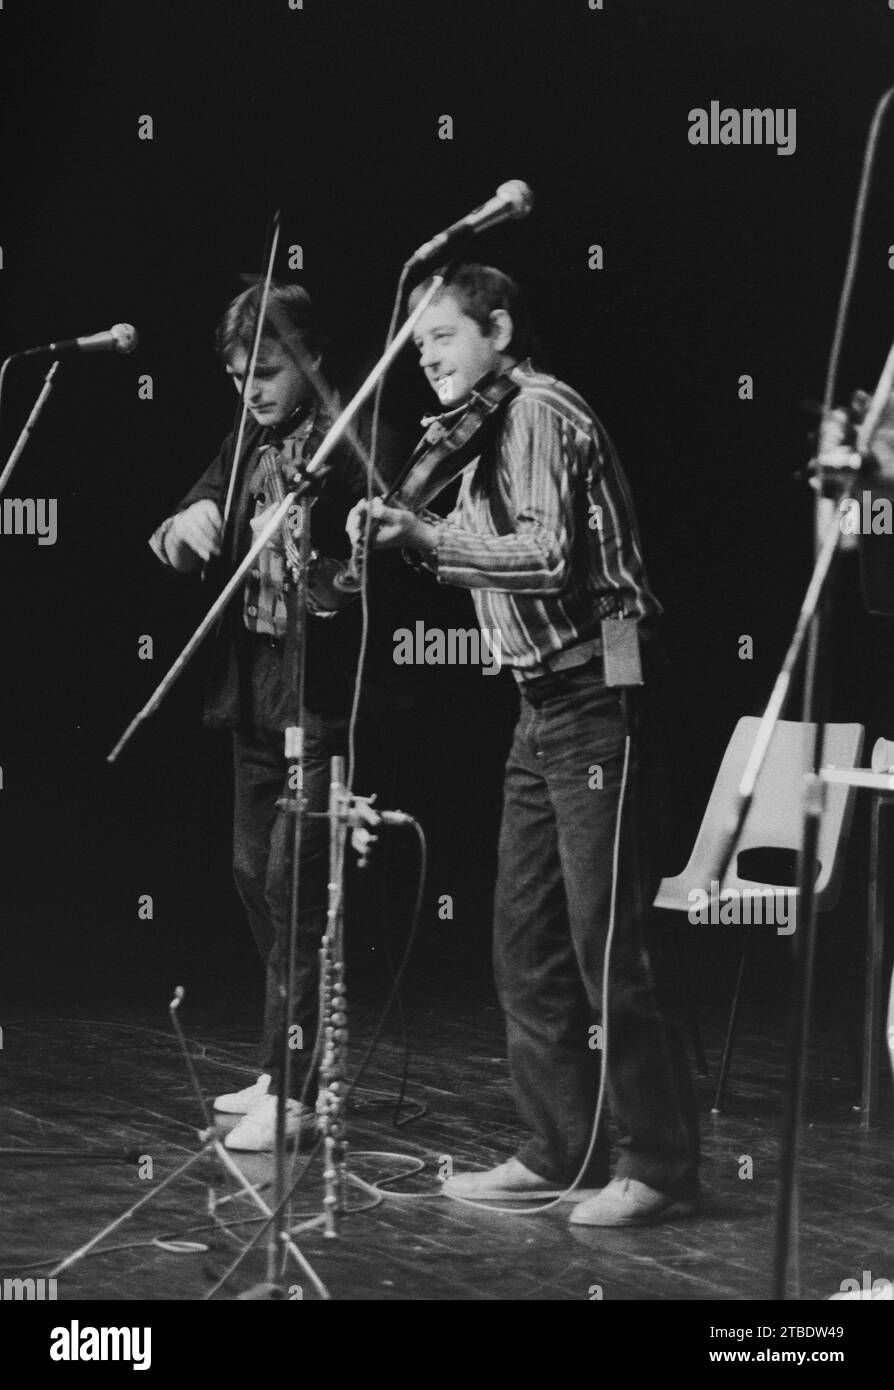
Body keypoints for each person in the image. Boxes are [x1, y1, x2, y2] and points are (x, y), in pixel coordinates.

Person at [347, 264, 700, 1225]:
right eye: (417, 346)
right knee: (525, 942)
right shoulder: (485, 436)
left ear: (499, 329)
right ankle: (557, 1152)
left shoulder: (539, 409)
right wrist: (389, 539)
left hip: (600, 690)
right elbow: (473, 547)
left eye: (444, 337)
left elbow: (545, 558)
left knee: (605, 943)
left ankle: (660, 1162)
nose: (426, 359)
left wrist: (417, 533)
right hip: (538, 703)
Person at [150, 281, 363, 1151]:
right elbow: (172, 531)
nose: (252, 392)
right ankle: (282, 1066)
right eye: (239, 377)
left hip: (316, 697)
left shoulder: (352, 440)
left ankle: (303, 1091)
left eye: (267, 372)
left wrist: (331, 568)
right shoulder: (247, 442)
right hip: (252, 695)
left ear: (308, 358)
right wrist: (188, 522)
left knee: (297, 888)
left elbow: (365, 573)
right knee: (253, 877)